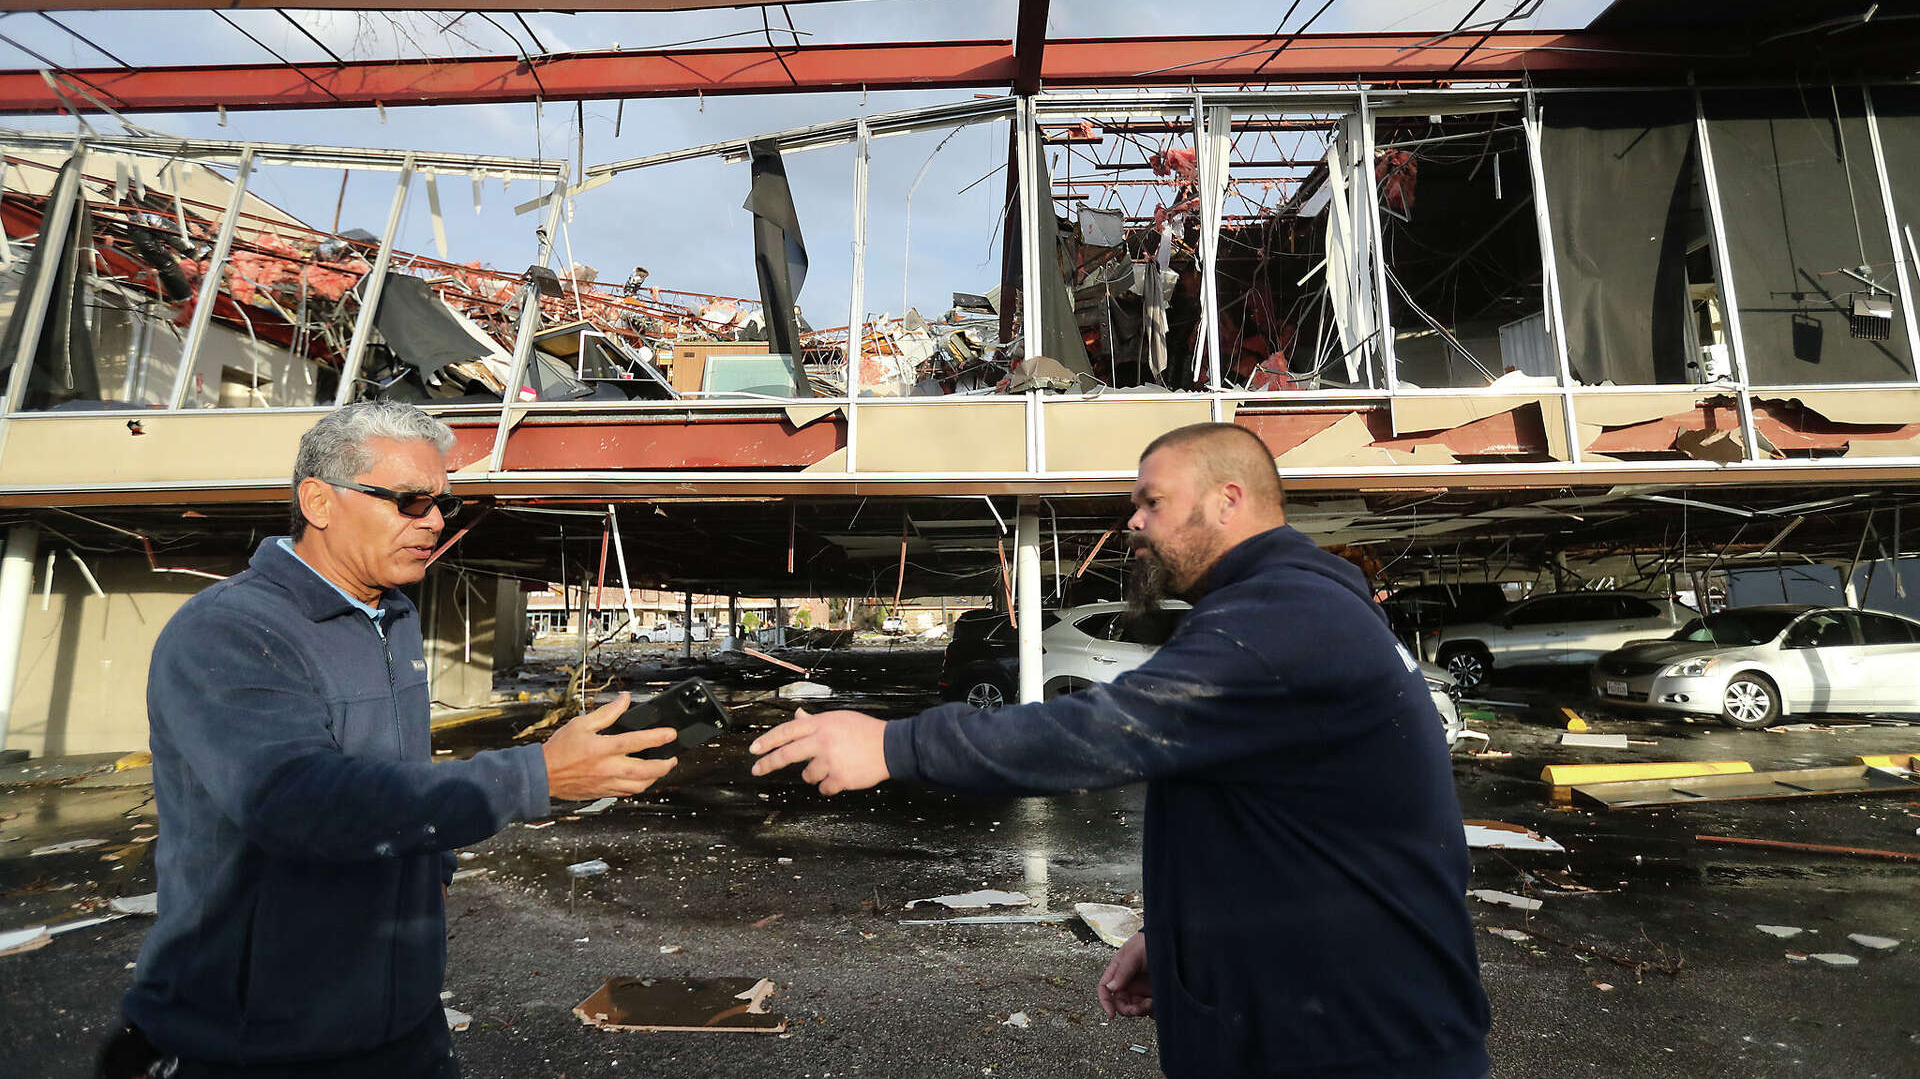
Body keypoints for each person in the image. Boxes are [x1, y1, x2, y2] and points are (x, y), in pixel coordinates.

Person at [750, 422, 1491, 1078]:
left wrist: (895, 744)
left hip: (1356, 1037)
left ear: (1228, 500)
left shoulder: (1283, 616)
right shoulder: (1295, 608)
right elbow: (1263, 816)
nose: (1133, 522)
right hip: (1316, 1014)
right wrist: (1172, 934)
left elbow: (1112, 730)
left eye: (1152, 501)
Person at [104, 401, 679, 1078]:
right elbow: (297, 801)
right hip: (253, 1044)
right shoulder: (230, 633)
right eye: (409, 502)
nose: (434, 523)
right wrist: (535, 777)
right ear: (319, 501)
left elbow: (395, 769)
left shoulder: (391, 616)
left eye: (441, 503)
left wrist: (431, 870)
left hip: (401, 1027)